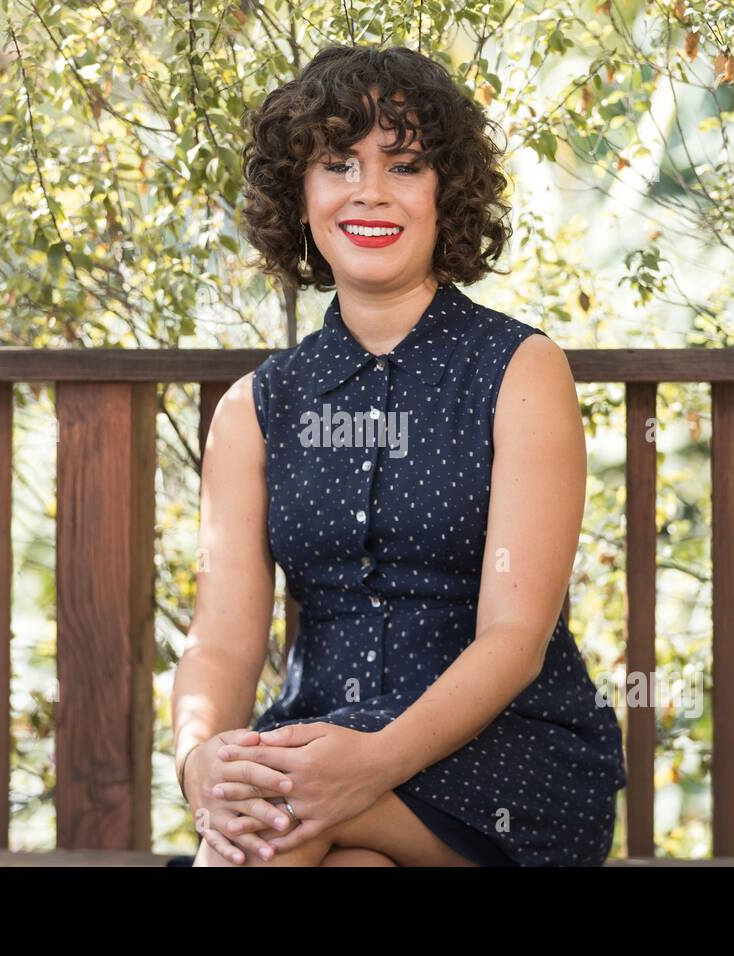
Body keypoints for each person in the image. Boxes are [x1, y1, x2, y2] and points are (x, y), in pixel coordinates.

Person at [171, 44, 626, 867]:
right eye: (338, 164)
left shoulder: (520, 372)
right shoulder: (256, 408)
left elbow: (514, 640)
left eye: (404, 164)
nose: (369, 191)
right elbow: (220, 643)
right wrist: (198, 760)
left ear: (445, 192)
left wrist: (370, 764)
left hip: (506, 761)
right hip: (322, 759)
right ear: (299, 194)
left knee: (276, 822)